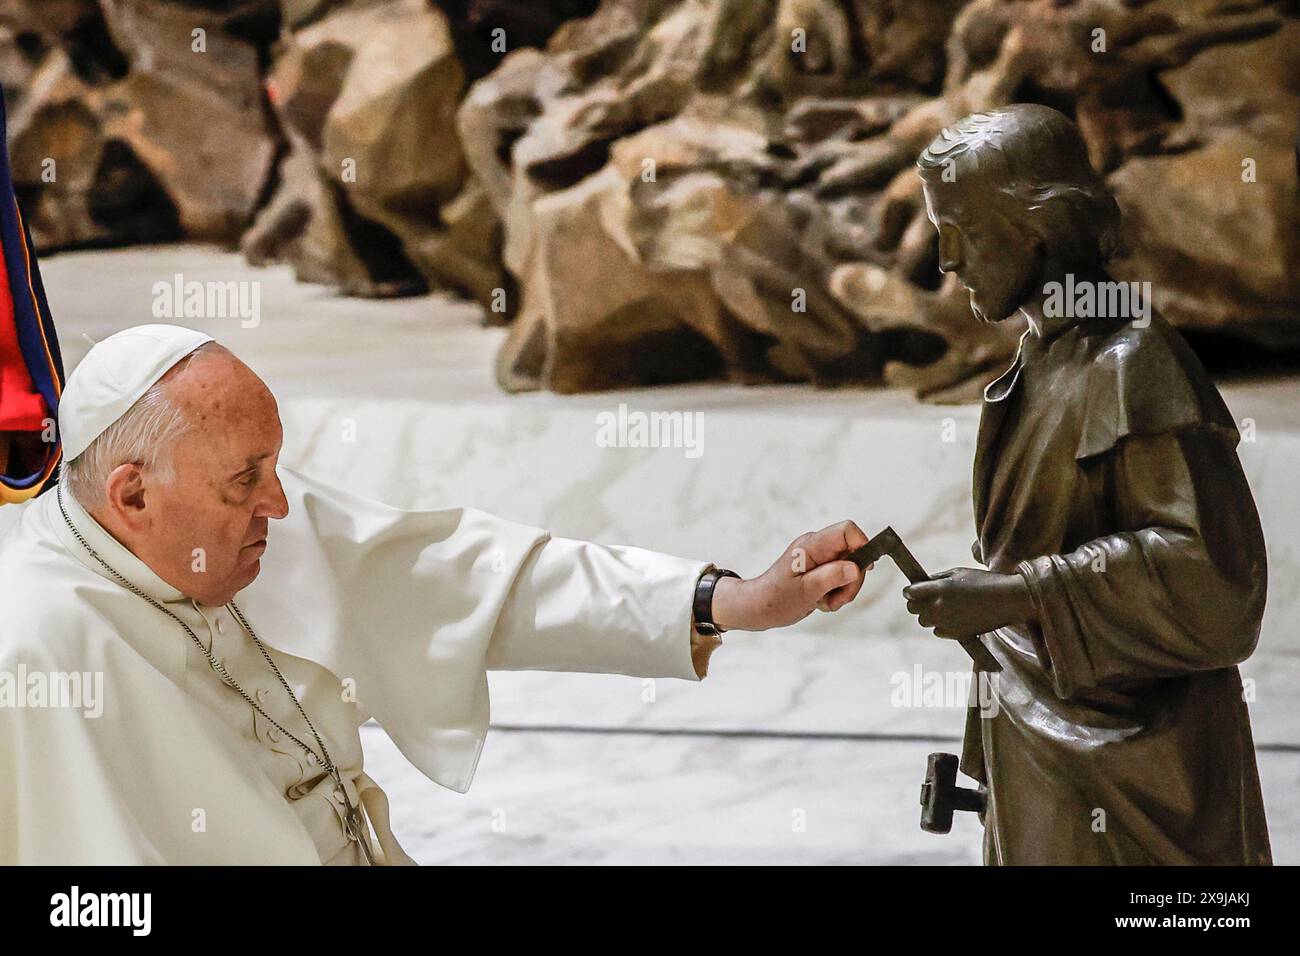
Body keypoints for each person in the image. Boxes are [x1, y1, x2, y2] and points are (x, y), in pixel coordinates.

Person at [0, 324, 871, 864]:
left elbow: (488, 578)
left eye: (275, 463)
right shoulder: (36, 645)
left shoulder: (251, 522)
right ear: (132, 496)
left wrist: (734, 599)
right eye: (245, 480)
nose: (280, 502)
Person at [903, 104, 1270, 864]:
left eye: (964, 228)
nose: (946, 259)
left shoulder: (1133, 366)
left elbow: (1216, 585)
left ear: (1037, 226)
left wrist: (1017, 594)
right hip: (1047, 747)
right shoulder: (1043, 360)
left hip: (1138, 768)